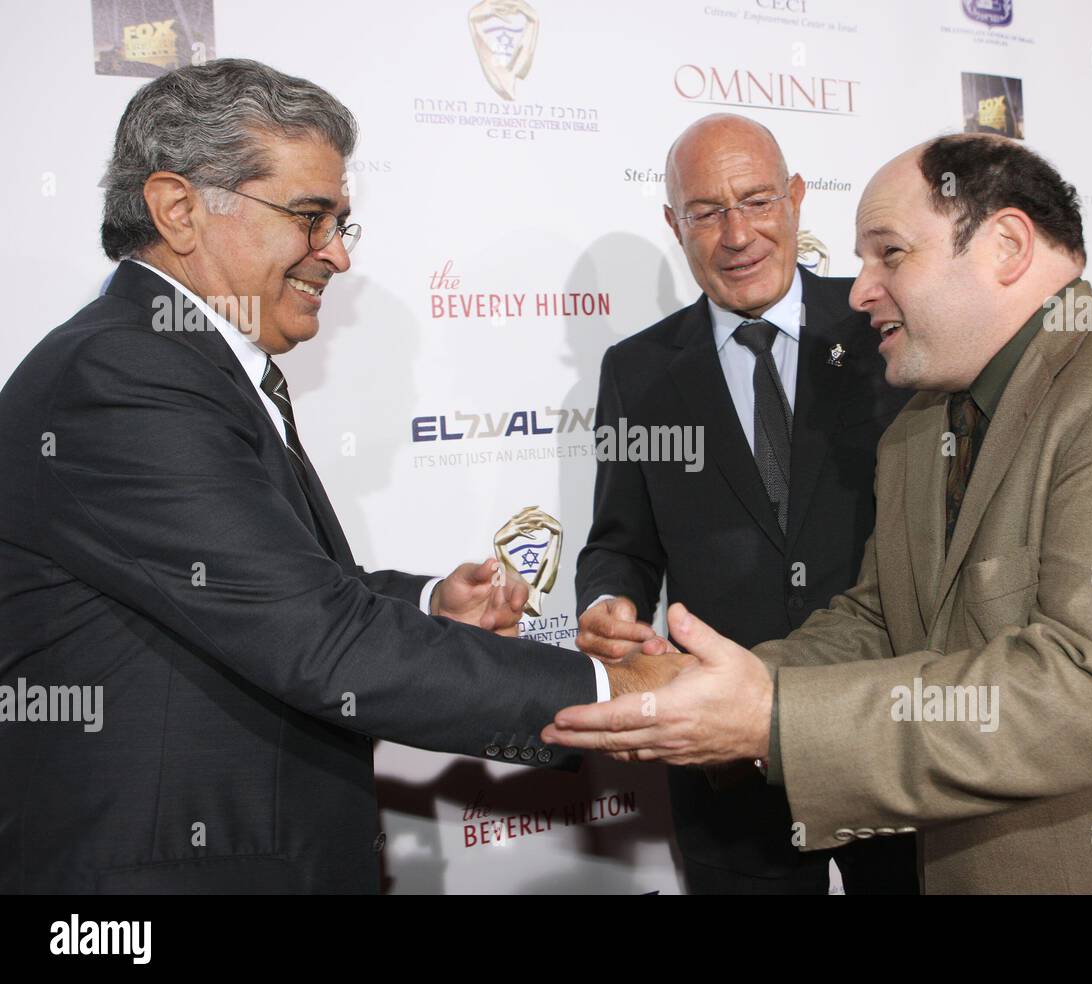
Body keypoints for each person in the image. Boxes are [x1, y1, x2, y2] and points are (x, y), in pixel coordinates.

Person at [547, 133, 1092, 893]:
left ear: (1006, 245)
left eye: (890, 255)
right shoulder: (921, 423)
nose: (858, 289)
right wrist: (722, 686)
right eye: (707, 212)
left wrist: (772, 717)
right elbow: (880, 620)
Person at [0, 58, 671, 894]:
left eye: (342, 221)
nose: (337, 255)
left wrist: (429, 604)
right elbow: (315, 638)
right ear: (179, 209)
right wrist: (625, 689)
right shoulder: (123, 373)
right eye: (310, 217)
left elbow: (260, 594)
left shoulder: (179, 360)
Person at [575, 114, 913, 894]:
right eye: (705, 212)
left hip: (885, 722)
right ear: (673, 224)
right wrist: (610, 602)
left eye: (757, 201)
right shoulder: (638, 372)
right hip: (724, 756)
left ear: (796, 200)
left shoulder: (884, 331)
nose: (737, 234)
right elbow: (621, 540)